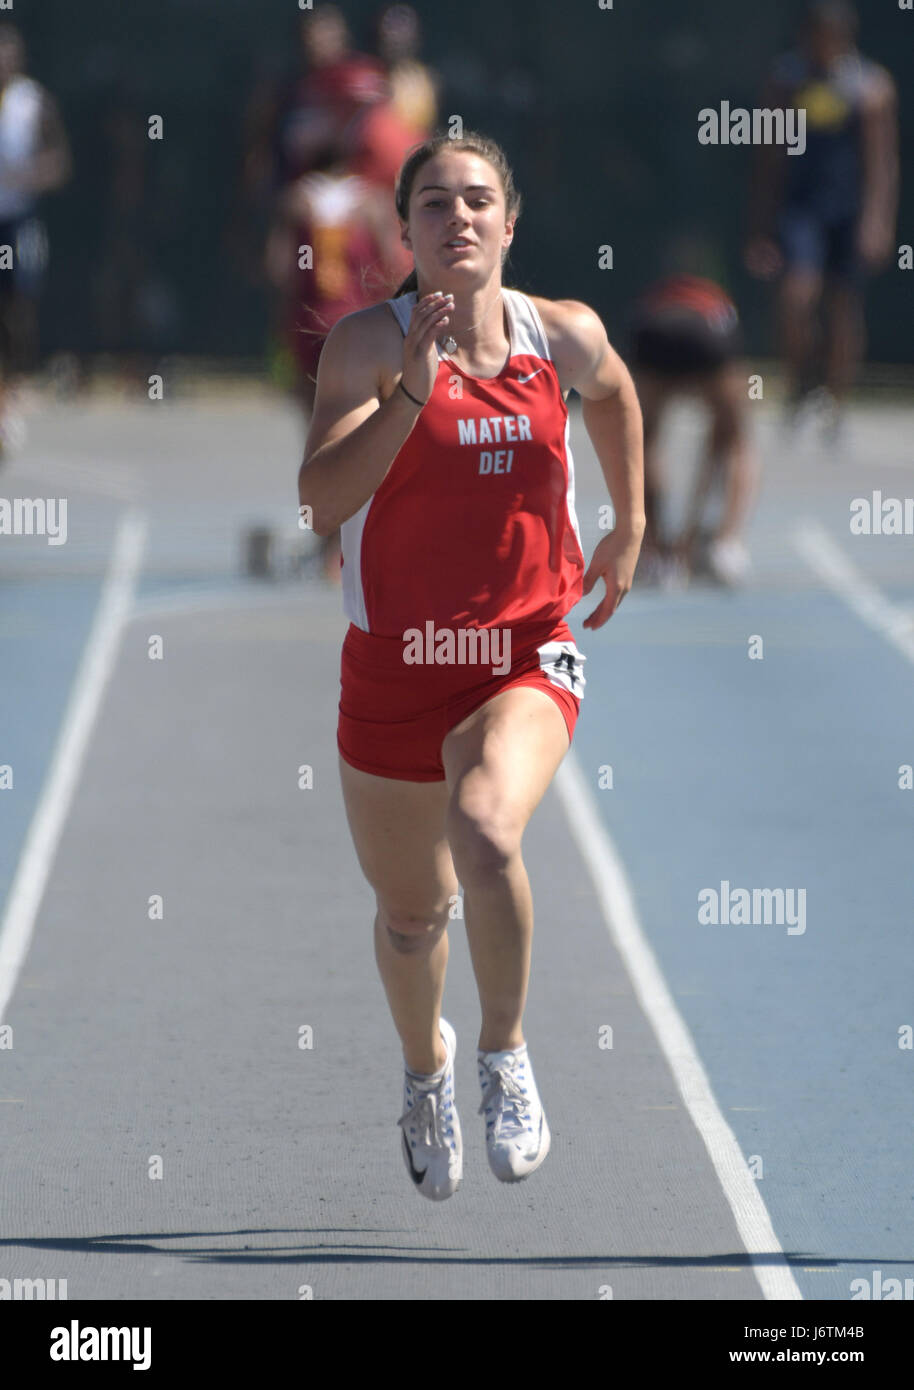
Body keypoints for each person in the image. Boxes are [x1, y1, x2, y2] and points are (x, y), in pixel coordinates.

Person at [298, 131, 644, 1200]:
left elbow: (620, 394)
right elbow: (320, 502)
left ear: (509, 222)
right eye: (433, 203)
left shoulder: (562, 334)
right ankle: (425, 1070)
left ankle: (502, 1052)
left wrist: (628, 520)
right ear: (403, 231)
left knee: (488, 829)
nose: (457, 218)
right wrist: (408, 393)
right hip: (394, 668)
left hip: (522, 651)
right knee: (410, 915)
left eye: (477, 200)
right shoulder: (364, 345)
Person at [744, 0, 898, 441]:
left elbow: (881, 163)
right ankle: (799, 390)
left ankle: (835, 401)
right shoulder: (786, 81)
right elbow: (769, 157)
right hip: (800, 210)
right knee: (796, 297)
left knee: (843, 308)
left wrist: (877, 221)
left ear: (844, 36)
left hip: (848, 212)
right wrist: (760, 224)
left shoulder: (871, 87)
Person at [628, 274, 758, 587]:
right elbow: (721, 444)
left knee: (642, 440)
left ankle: (656, 553)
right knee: (737, 440)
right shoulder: (720, 306)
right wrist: (693, 524)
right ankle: (725, 545)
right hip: (708, 338)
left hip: (656, 335)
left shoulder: (653, 300)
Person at [0, 23, 71, 455]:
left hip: (18, 220)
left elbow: (60, 160)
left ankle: (13, 390)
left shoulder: (34, 101)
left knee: (16, 308)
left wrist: (30, 175)